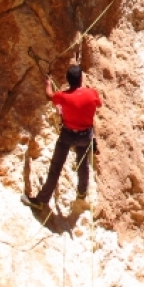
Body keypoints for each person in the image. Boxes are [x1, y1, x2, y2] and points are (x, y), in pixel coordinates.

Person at [25, 64, 102, 212]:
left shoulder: (62, 96)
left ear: (68, 80)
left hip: (67, 134)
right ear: (81, 79)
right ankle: (82, 193)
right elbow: (98, 104)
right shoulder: (92, 94)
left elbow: (49, 95)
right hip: (85, 135)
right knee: (83, 165)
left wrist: (48, 83)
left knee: (56, 167)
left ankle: (42, 201)